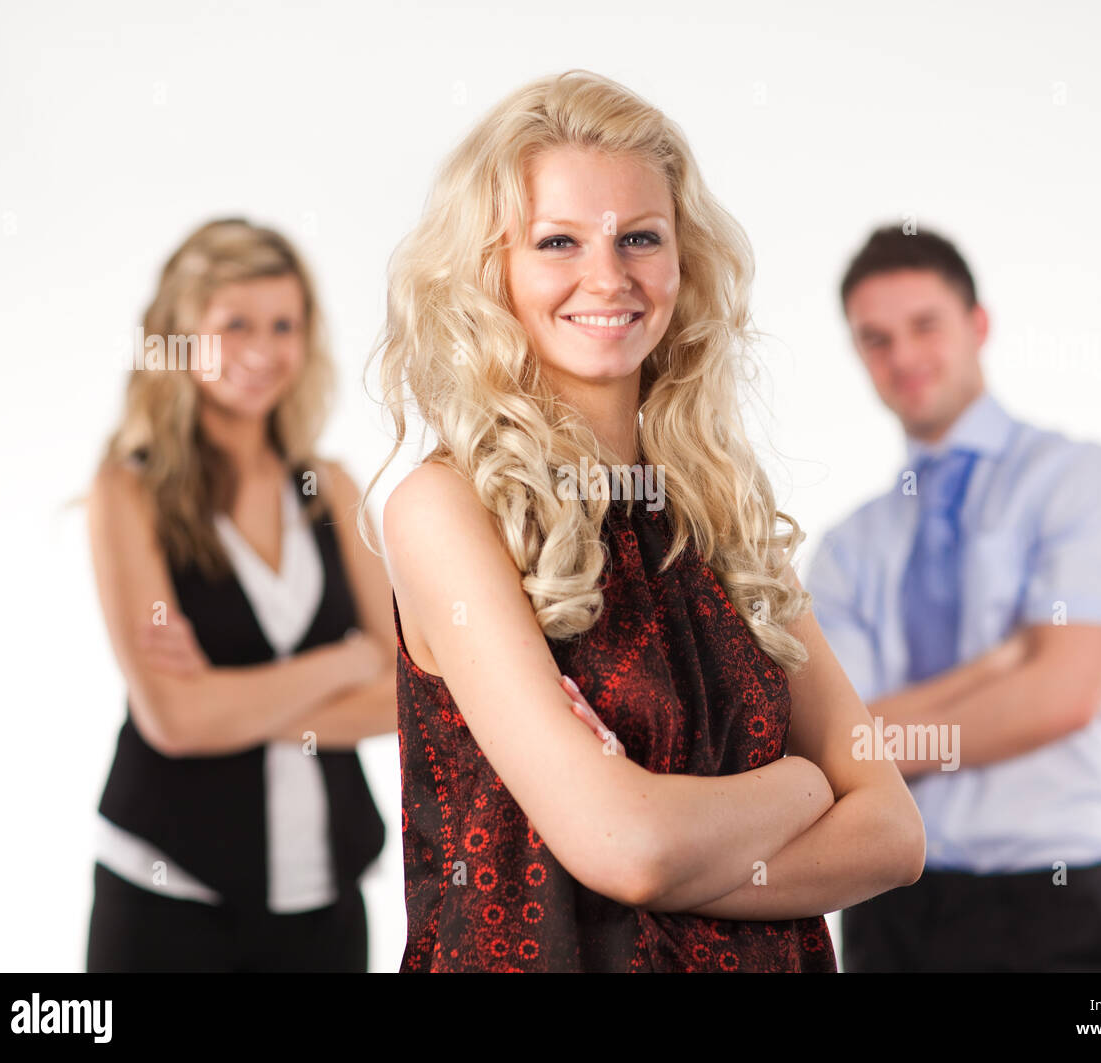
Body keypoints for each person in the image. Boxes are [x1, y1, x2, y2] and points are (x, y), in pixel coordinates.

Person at [364, 70, 925, 973]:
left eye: (639, 238)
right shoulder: (445, 506)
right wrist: (803, 783)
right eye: (557, 240)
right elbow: (624, 845)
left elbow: (894, 832)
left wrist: (660, 849)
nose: (607, 275)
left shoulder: (719, 509)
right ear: (490, 270)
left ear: (680, 262)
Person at [806, 224, 1101, 972]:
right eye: (875, 338)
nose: (902, 356)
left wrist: (873, 739)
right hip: (883, 908)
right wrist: (1001, 667)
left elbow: (1060, 697)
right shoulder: (848, 546)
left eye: (924, 325)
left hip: (1044, 908)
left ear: (979, 324)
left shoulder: (1081, 484)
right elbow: (828, 742)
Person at [84, 218, 398, 971]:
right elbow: (176, 718)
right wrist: (343, 661)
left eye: (284, 324)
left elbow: (407, 693)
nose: (263, 351)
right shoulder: (130, 489)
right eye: (235, 325)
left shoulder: (330, 485)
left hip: (326, 899)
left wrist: (231, 703)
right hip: (170, 897)